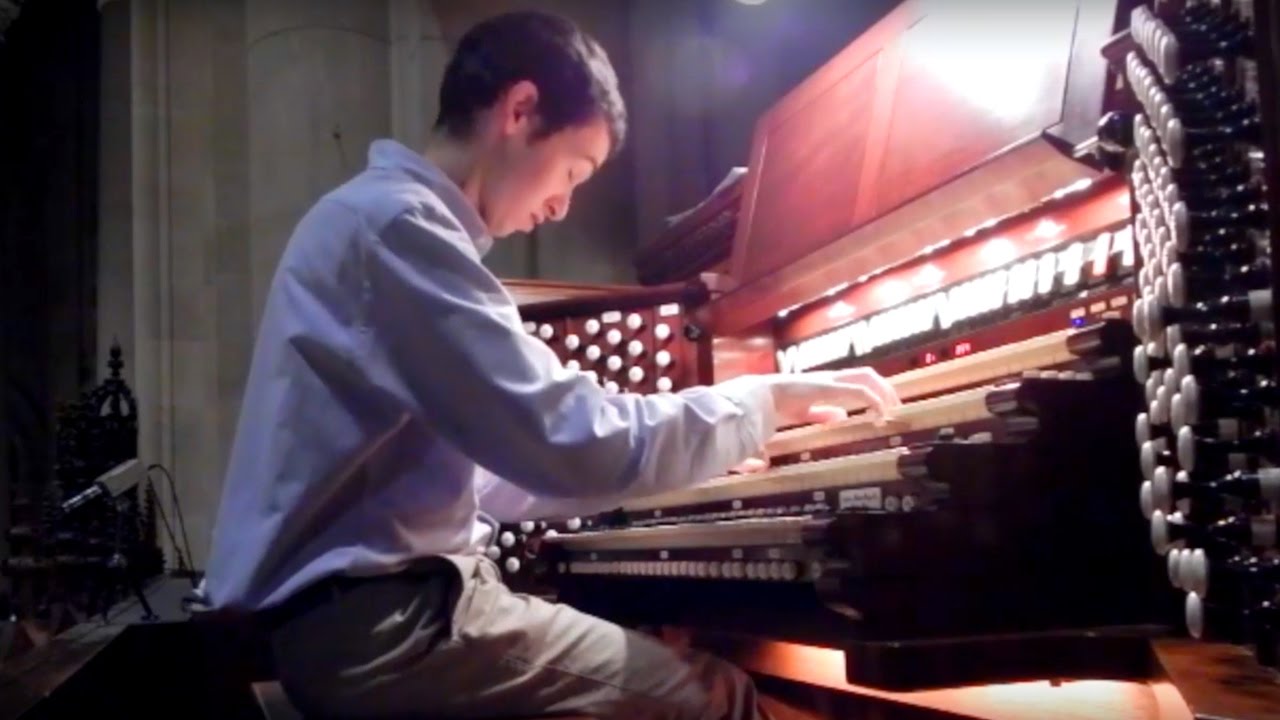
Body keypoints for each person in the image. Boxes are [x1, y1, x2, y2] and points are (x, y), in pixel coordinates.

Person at [203, 10, 899, 720]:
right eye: (573, 169)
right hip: (386, 628)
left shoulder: (386, 225)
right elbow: (564, 441)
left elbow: (501, 478)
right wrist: (758, 404)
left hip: (362, 617)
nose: (563, 206)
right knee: (715, 699)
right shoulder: (399, 230)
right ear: (521, 109)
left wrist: (687, 478)